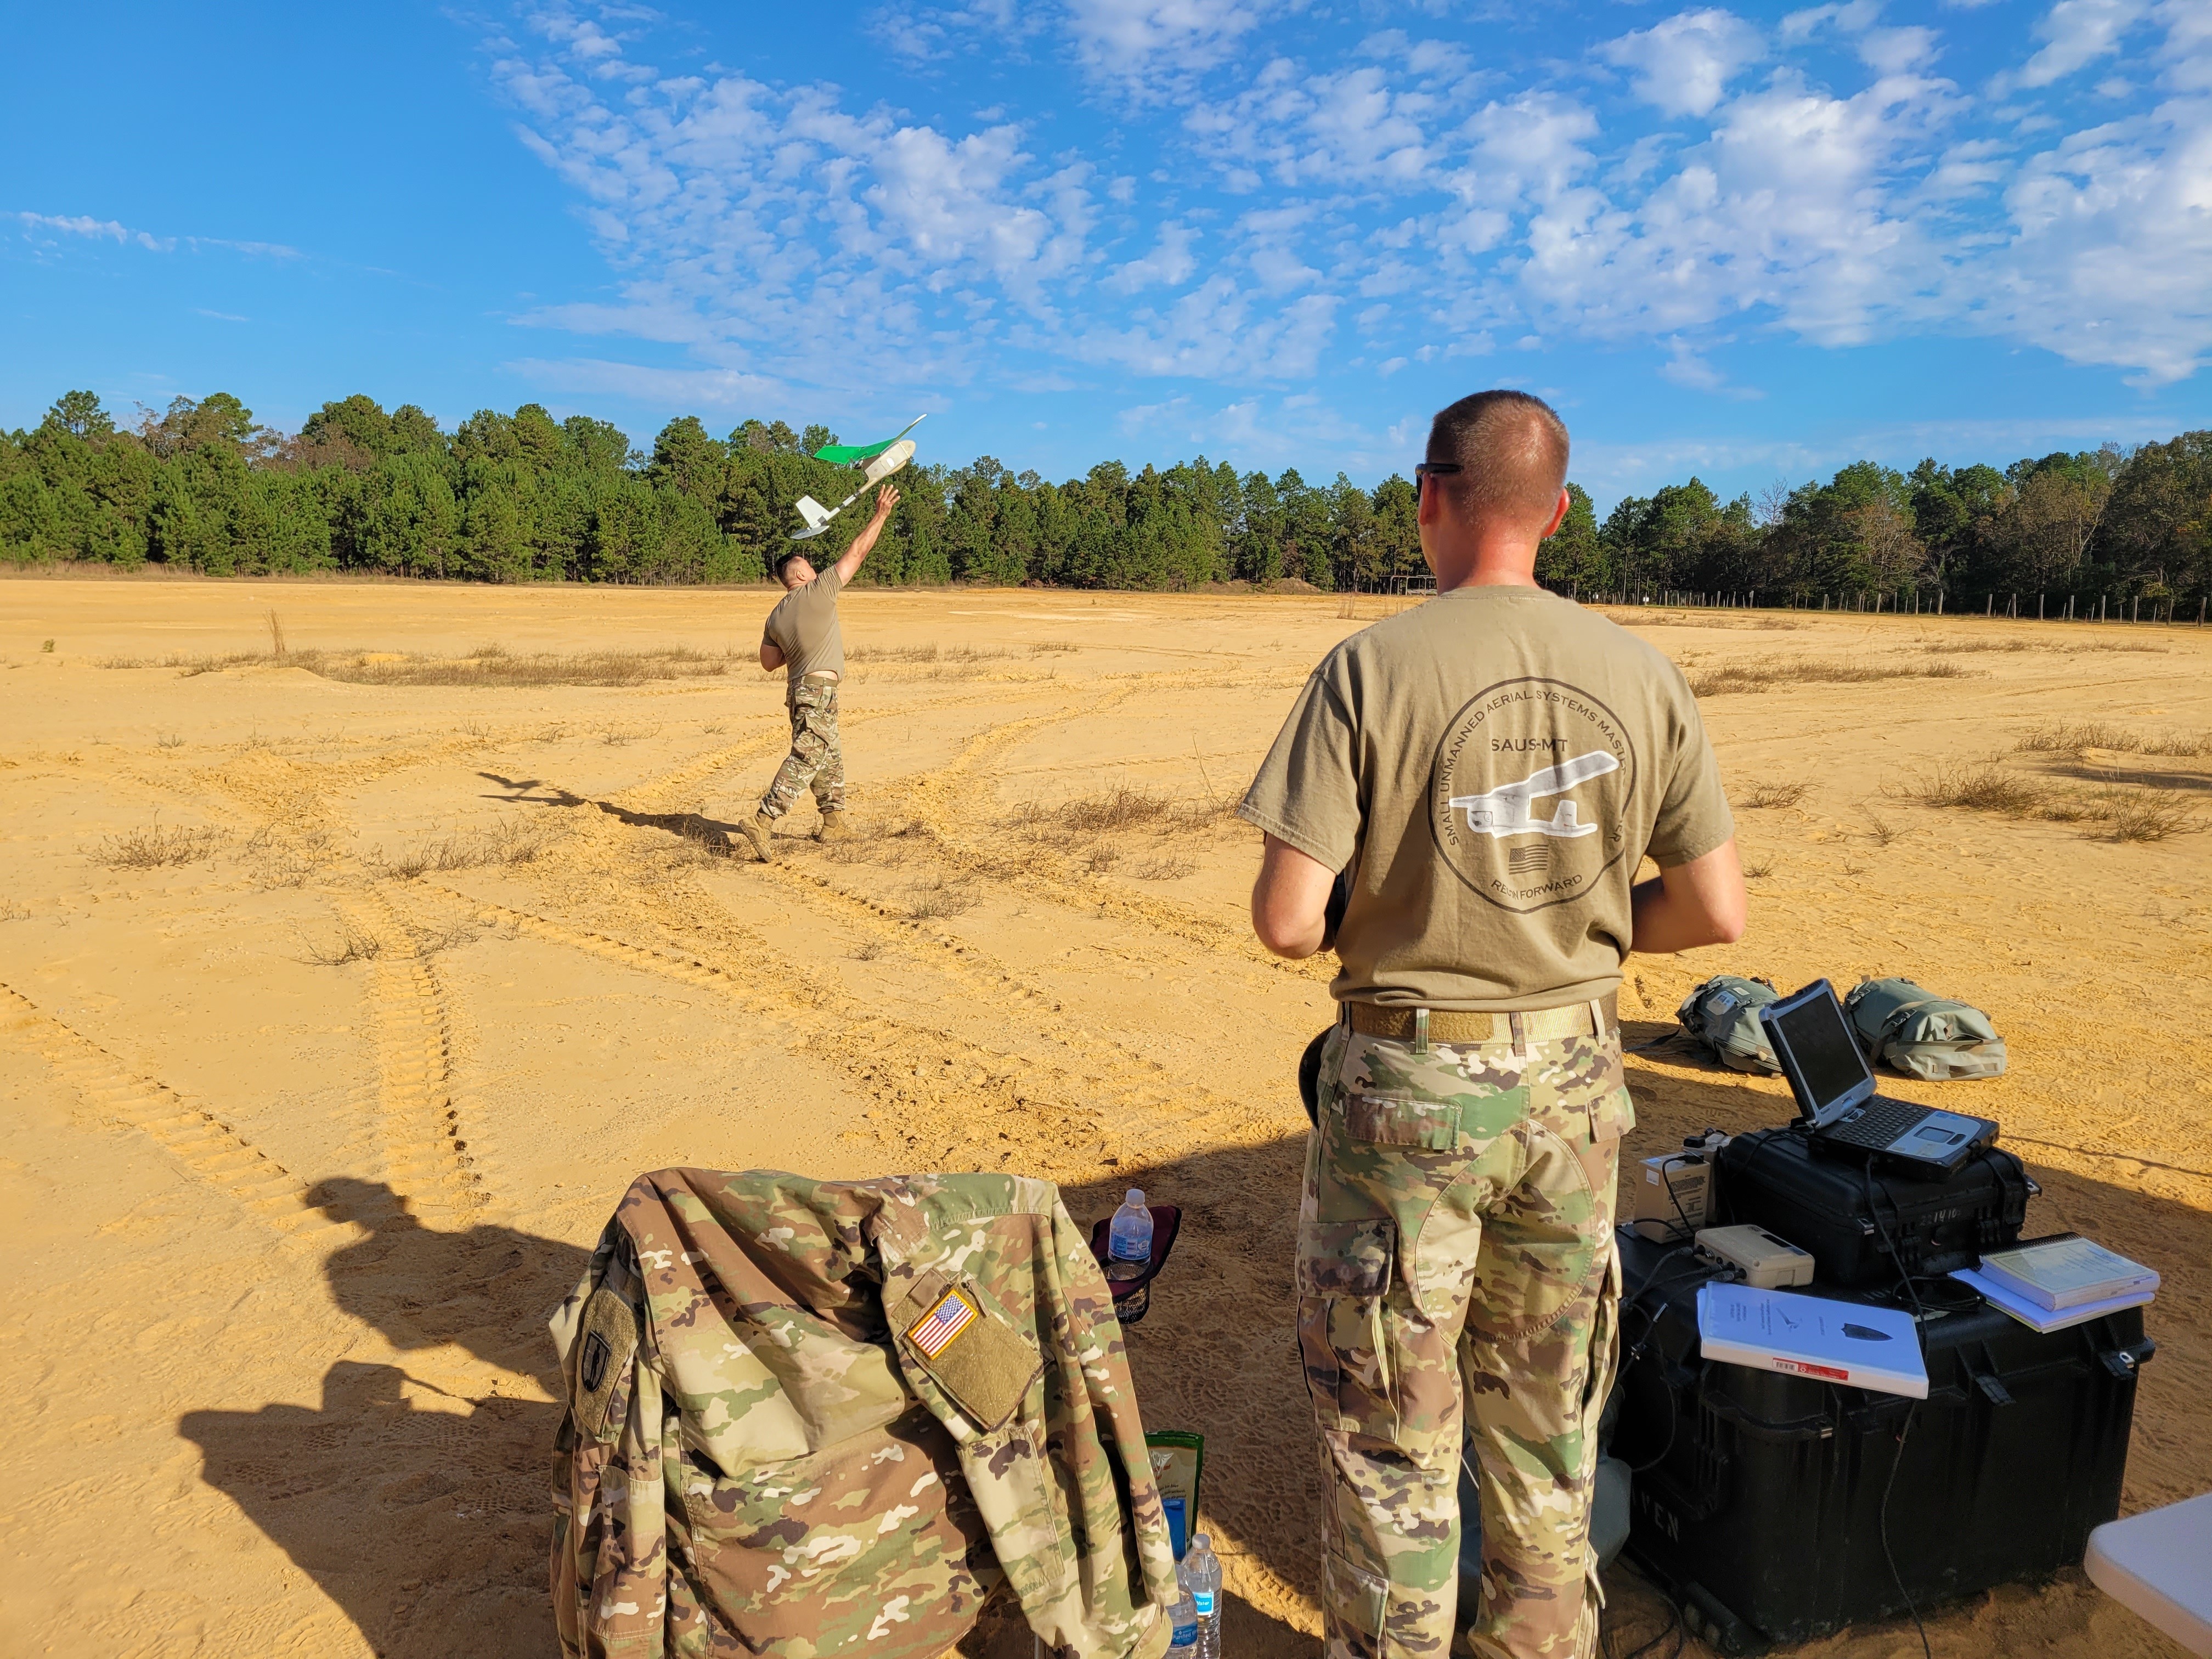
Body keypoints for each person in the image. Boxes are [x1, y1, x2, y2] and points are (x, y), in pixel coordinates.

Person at [1237, 391, 1746, 1659]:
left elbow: (1290, 922)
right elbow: (1713, 910)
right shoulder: (1642, 672)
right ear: (1559, 511)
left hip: (1406, 1085)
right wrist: (1578, 927)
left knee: (1391, 1448)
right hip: (1574, 1089)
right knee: (1546, 1439)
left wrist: (1411, 911)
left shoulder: (1370, 667)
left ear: (1429, 497)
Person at [742, 482, 900, 862]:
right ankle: (763, 820)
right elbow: (858, 552)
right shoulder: (819, 590)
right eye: (811, 566)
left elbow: (768, 661)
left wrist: (796, 644)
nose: (817, 569)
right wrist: (880, 515)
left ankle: (834, 823)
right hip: (817, 690)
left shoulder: (777, 614)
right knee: (808, 756)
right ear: (801, 574)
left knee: (829, 754)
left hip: (798, 691)